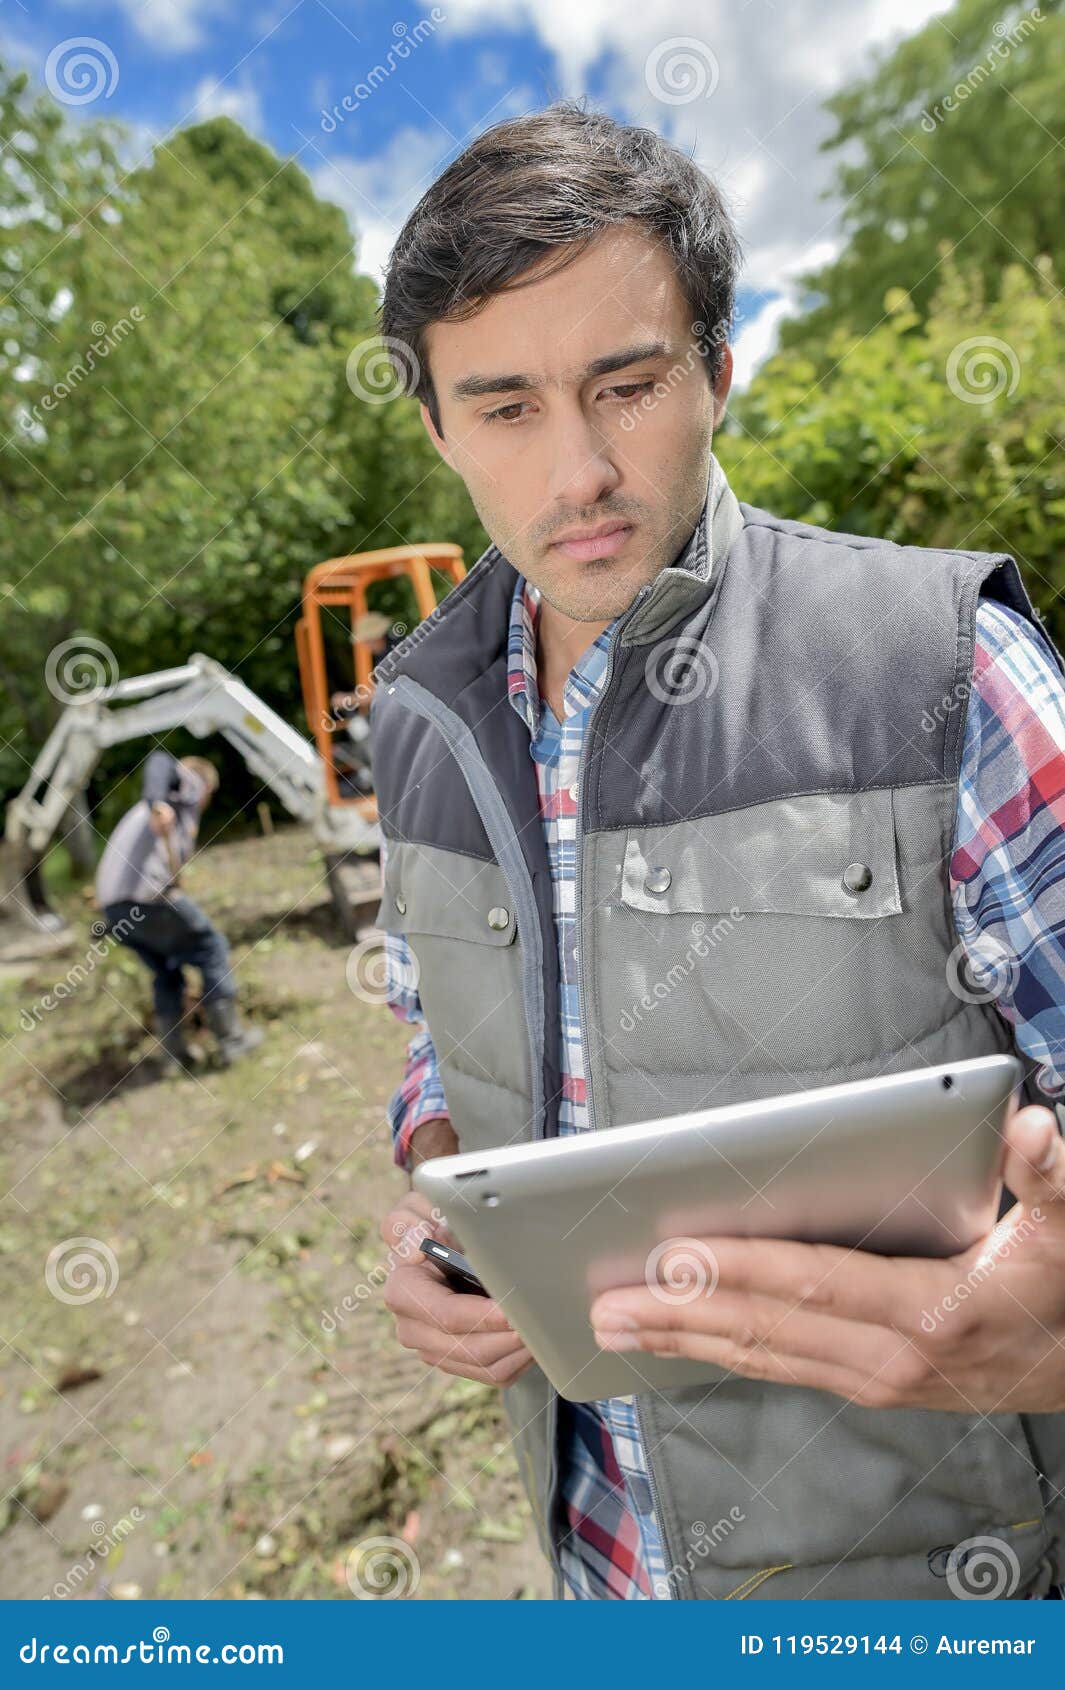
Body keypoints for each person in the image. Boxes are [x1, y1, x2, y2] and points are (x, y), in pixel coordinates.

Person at [369, 101, 1065, 1600]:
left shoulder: (949, 669)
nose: (576, 475)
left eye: (625, 385)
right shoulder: (413, 722)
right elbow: (437, 1031)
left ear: (717, 373)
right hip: (601, 1572)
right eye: (503, 408)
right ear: (431, 424)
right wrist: (437, 1176)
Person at [95, 750, 262, 1072]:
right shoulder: (182, 791)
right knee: (211, 947)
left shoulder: (163, 811)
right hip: (145, 901)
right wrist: (158, 803)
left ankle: (173, 1057)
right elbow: (159, 759)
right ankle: (232, 1043)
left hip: (115, 911)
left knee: (167, 970)